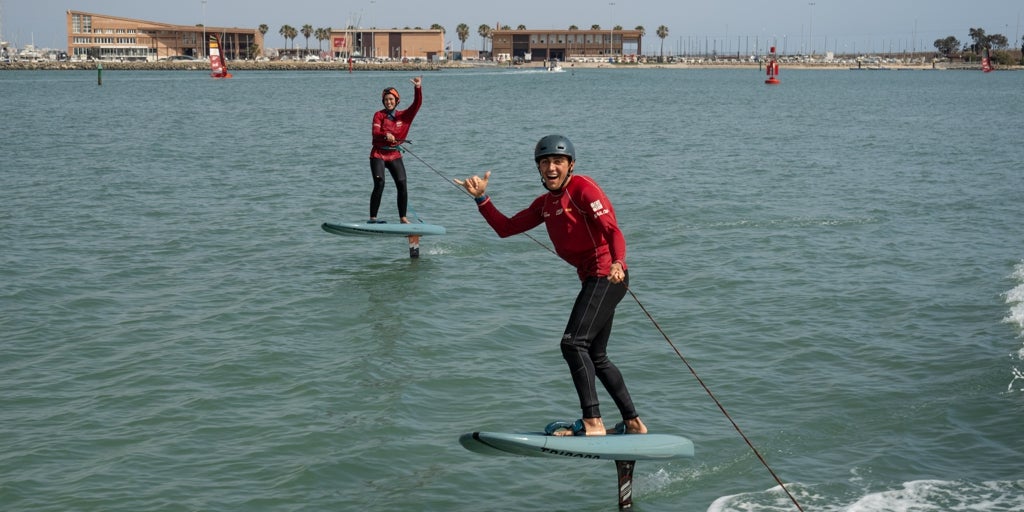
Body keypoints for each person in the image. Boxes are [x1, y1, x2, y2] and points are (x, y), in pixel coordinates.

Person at [454, 135, 648, 437]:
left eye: (558, 161)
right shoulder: (546, 204)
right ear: (539, 169)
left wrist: (618, 263)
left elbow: (613, 230)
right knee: (596, 356)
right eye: (545, 162)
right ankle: (634, 423)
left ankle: (593, 423)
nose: (551, 167)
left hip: (607, 276)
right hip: (593, 280)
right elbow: (506, 229)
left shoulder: (583, 189)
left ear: (570, 165)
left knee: (573, 344)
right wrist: (482, 199)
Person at [368, 76, 422, 224]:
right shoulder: (378, 115)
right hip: (378, 153)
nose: (388, 102)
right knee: (379, 183)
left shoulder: (404, 116)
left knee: (402, 183)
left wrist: (417, 88)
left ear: (397, 100)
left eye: (391, 99)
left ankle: (403, 218)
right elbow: (375, 133)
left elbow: (417, 104)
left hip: (394, 154)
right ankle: (373, 218)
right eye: (386, 100)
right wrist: (386, 135)